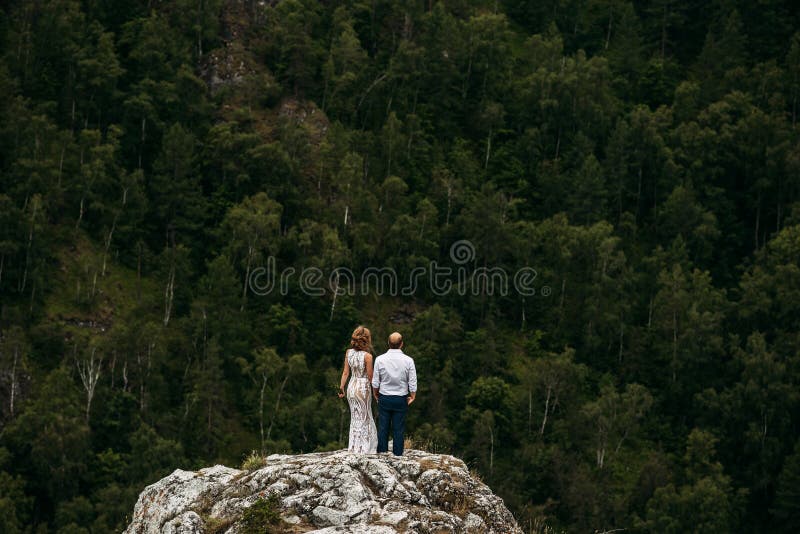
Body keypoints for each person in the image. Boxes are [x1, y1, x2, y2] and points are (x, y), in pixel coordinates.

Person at [372, 331, 417, 456]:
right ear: (401, 344)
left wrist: (376, 394)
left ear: (388, 343)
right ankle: (397, 455)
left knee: (383, 427)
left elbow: (376, 381)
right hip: (401, 398)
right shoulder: (409, 360)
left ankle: (382, 453)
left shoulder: (380, 359)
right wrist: (412, 395)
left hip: (384, 397)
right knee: (398, 428)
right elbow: (412, 380)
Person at [338, 325, 378, 453]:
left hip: (351, 386)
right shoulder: (368, 356)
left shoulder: (348, 352)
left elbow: (345, 373)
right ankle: (365, 448)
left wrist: (341, 387)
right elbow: (371, 377)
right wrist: (376, 393)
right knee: (365, 417)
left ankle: (354, 447)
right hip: (363, 386)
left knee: (355, 418)